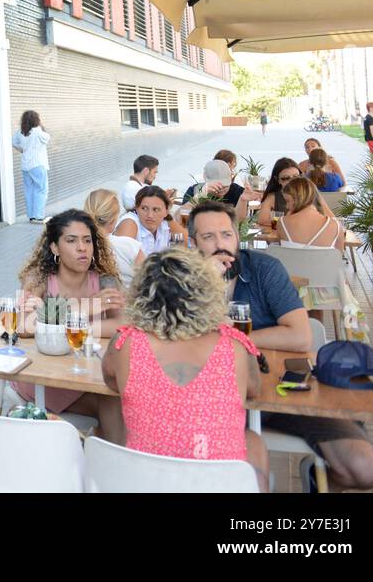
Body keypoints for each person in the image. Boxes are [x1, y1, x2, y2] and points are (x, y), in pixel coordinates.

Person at [188, 200, 373, 491]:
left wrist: (235, 337)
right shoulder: (180, 278)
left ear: (237, 236)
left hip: (282, 394)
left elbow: (301, 336)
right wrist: (206, 284)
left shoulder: (264, 269)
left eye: (226, 235)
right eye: (208, 237)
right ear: (193, 244)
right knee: (235, 476)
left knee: (365, 469)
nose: (220, 245)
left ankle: (314, 479)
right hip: (211, 401)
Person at [102, 247, 267, 488]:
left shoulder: (124, 343)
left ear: (140, 295)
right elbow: (253, 389)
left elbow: (111, 380)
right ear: (206, 292)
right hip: (217, 484)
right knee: (254, 442)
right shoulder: (235, 345)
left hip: (145, 482)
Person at [14, 209, 125, 442]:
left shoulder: (105, 280)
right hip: (44, 379)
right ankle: (106, 458)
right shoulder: (39, 279)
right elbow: (24, 326)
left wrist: (76, 328)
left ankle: (99, 455)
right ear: (55, 247)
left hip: (88, 376)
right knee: (113, 402)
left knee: (119, 399)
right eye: (72, 241)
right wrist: (85, 308)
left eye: (87, 240)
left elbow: (122, 325)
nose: (82, 248)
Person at [84, 188, 145, 287]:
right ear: (113, 220)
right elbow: (149, 281)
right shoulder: (129, 246)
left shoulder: (77, 248)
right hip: (128, 296)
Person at [275, 177, 345, 251]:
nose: (287, 206)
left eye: (288, 201)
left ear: (298, 198)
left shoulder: (282, 223)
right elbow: (339, 255)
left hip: (290, 259)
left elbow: (282, 250)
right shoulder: (335, 226)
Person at [115, 186, 181, 255]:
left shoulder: (167, 223)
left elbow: (182, 247)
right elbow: (123, 257)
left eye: (156, 209)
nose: (150, 215)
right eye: (144, 208)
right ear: (136, 208)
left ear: (166, 211)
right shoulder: (129, 223)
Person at [11, 110, 50, 223]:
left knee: (29, 191)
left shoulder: (21, 132)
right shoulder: (37, 131)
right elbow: (47, 138)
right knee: (41, 190)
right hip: (38, 165)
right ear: (36, 120)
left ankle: (32, 216)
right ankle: (38, 216)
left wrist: (21, 150)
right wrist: (41, 126)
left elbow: (13, 142)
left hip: (25, 166)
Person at [255, 157, 302, 228]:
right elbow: (262, 220)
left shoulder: (309, 194)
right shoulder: (272, 197)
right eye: (286, 178)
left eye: (296, 177)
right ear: (278, 180)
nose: (292, 181)